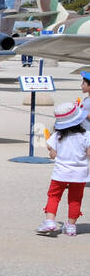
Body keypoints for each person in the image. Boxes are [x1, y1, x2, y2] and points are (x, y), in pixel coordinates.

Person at [37, 101, 89, 237]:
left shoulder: (58, 136)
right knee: (75, 199)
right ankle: (71, 226)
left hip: (60, 173)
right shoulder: (86, 136)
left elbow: (52, 152)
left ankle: (49, 221)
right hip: (80, 174)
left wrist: (54, 151)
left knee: (54, 196)